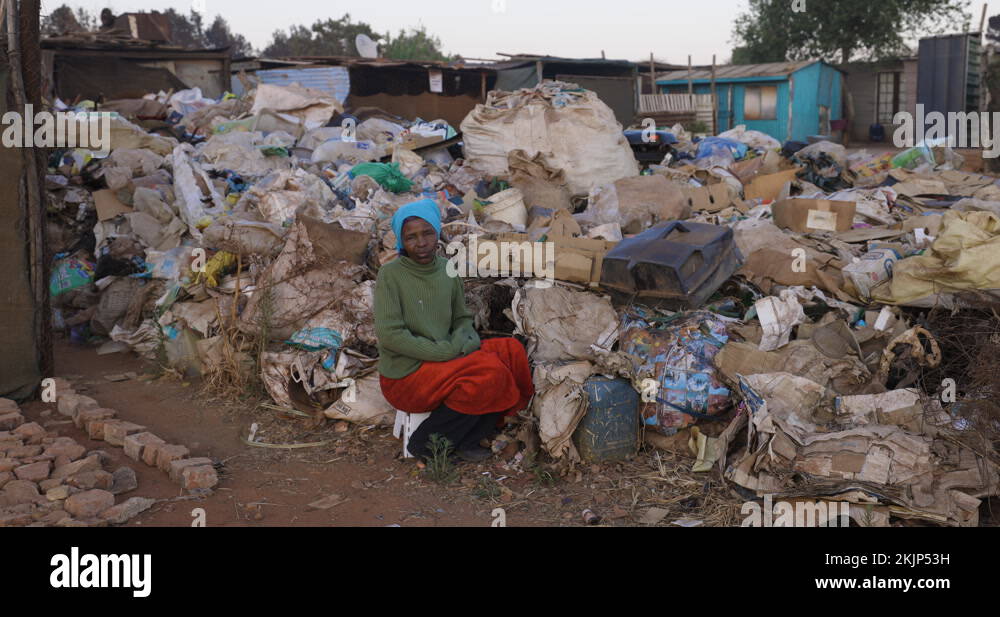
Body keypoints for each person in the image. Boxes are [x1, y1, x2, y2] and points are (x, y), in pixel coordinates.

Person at [374, 198, 534, 463]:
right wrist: (443, 352)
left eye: (427, 233)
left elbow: (461, 318)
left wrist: (465, 341)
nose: (421, 242)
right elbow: (390, 334)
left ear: (437, 232)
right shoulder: (391, 275)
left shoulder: (446, 270)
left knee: (511, 351)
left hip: (444, 357)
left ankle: (476, 432)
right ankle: (426, 443)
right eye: (411, 237)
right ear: (401, 241)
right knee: (487, 373)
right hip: (406, 374)